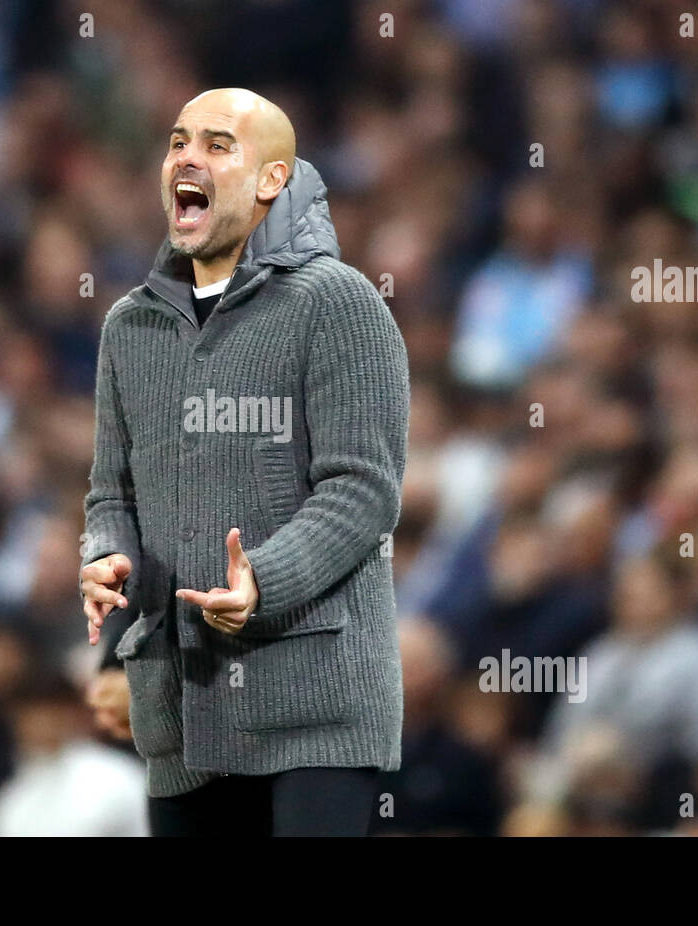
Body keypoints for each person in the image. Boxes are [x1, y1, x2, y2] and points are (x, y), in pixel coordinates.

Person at [78, 88, 410, 836]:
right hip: (181, 714)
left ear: (272, 181)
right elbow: (111, 497)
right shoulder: (130, 327)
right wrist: (108, 559)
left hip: (312, 707)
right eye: (176, 142)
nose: (186, 158)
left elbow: (363, 490)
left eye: (218, 145)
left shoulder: (337, 301)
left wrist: (265, 577)